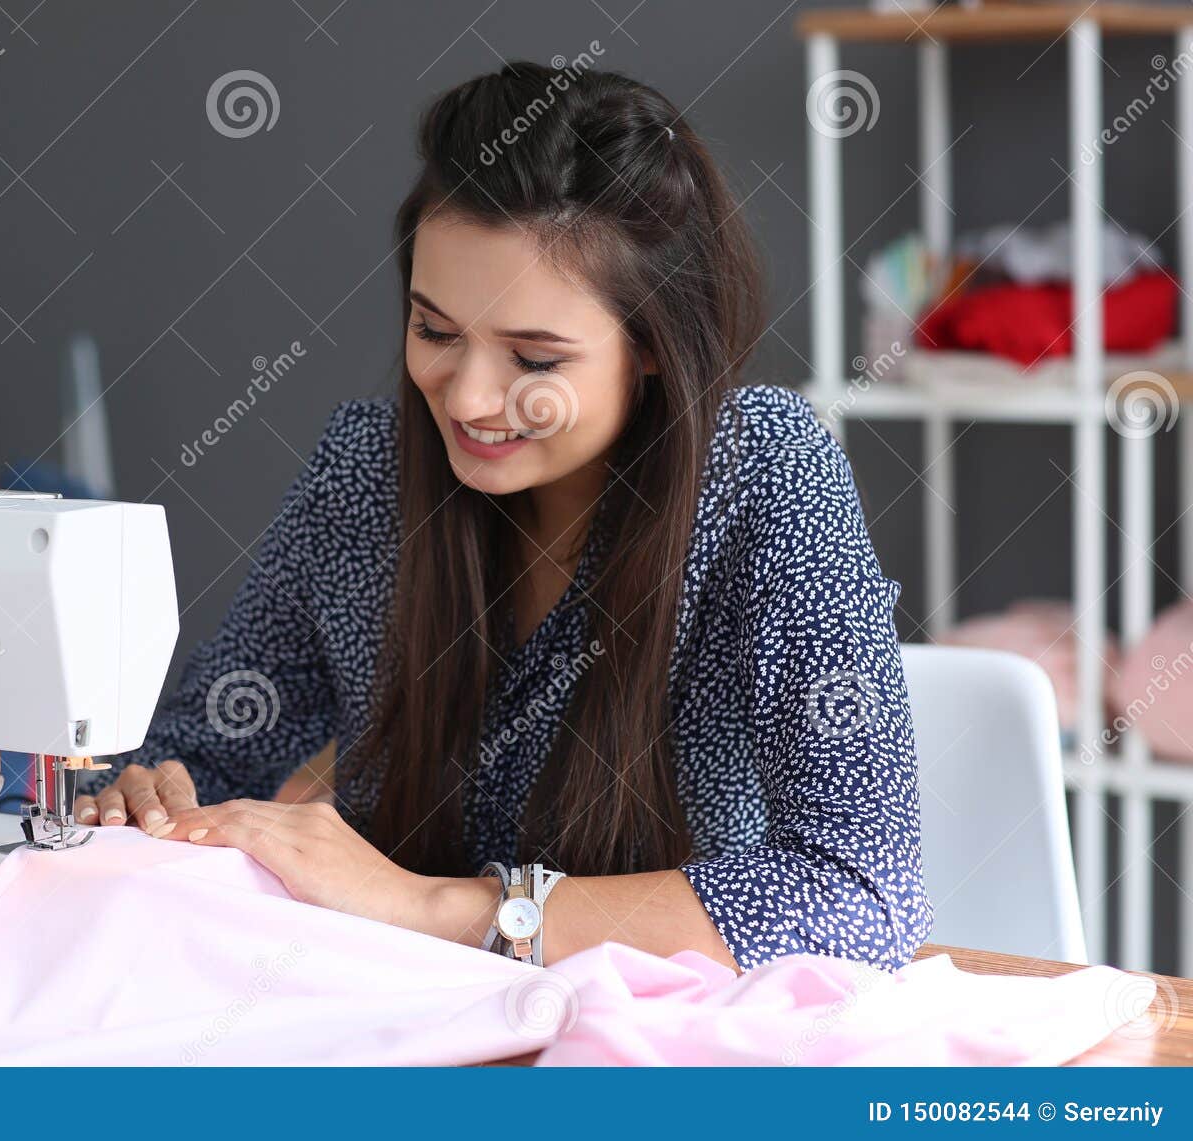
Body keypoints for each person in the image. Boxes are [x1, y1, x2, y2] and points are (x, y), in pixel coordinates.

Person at [76, 62, 932, 973]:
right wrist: (143, 795)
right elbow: (208, 753)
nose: (470, 397)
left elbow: (863, 890)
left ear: (650, 347)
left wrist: (445, 907)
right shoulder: (368, 473)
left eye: (534, 357)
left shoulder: (764, 470)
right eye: (435, 332)